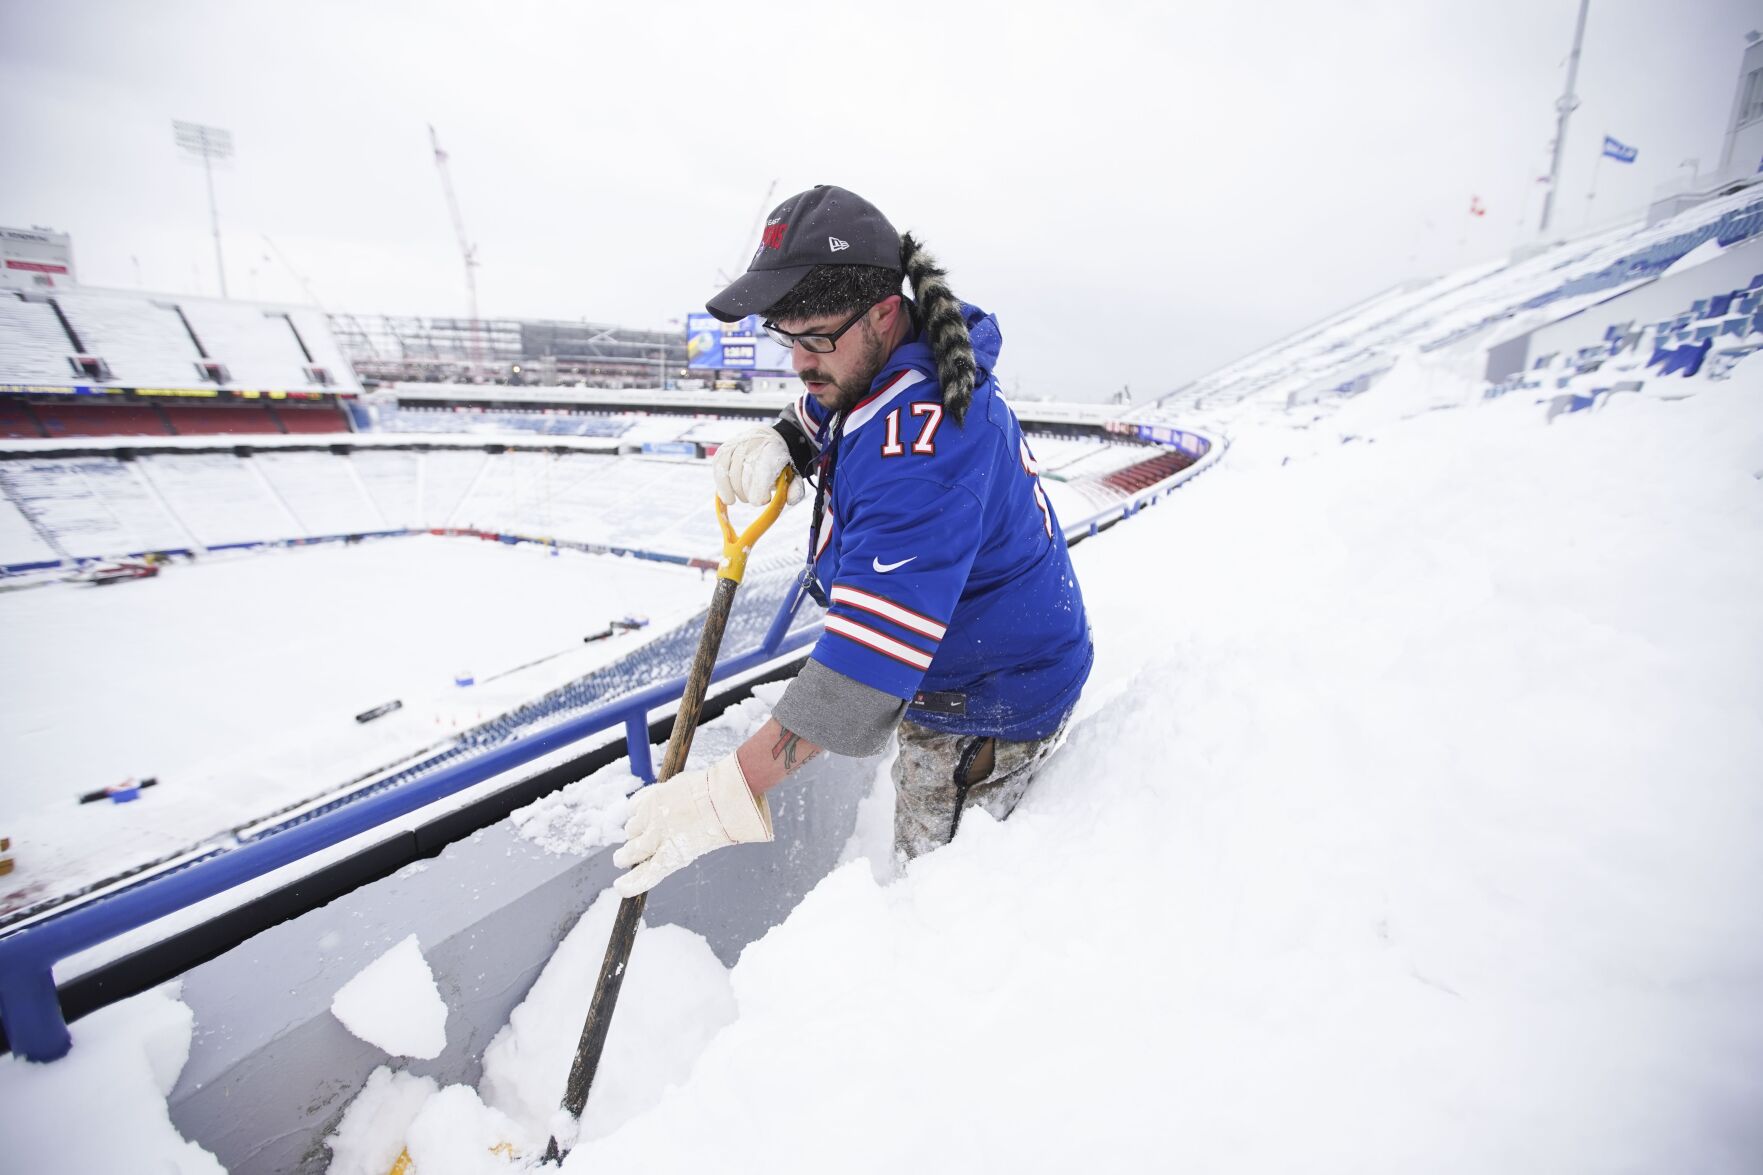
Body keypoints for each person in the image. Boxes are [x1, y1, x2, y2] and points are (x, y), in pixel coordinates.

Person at [614, 185, 1091, 897]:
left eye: (816, 341)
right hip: (986, 654)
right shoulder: (890, 357)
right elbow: (833, 401)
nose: (802, 365)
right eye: (788, 339)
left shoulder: (922, 457)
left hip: (988, 703)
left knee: (938, 892)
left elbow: (864, 672)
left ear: (884, 313)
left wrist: (727, 792)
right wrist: (784, 437)